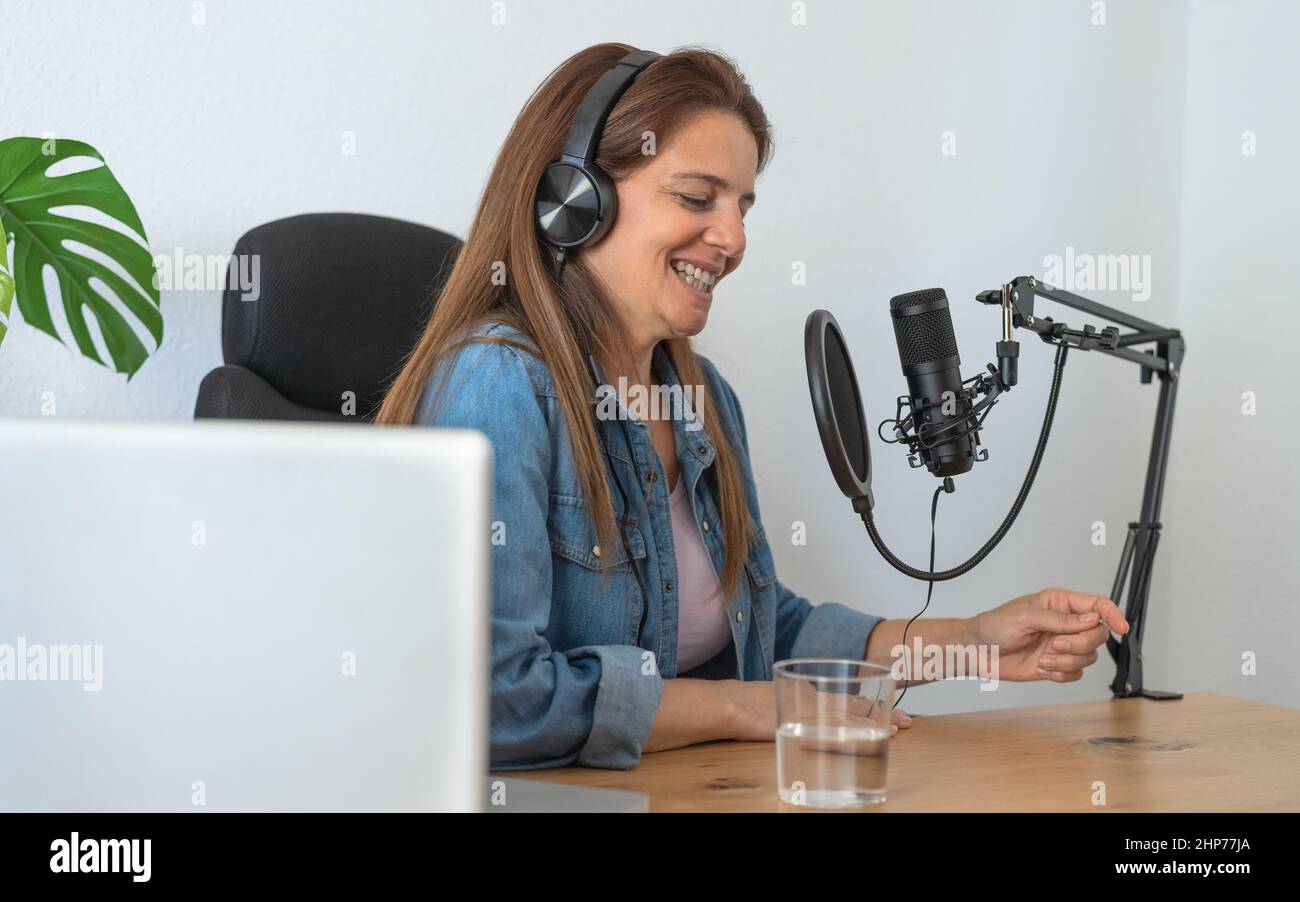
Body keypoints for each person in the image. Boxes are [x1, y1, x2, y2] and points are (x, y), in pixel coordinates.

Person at [376, 43, 1129, 771]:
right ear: (575, 202)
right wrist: (748, 708)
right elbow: (492, 701)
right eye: (697, 198)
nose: (732, 239)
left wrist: (975, 642)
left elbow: (768, 631)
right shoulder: (499, 386)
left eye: (742, 206)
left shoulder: (704, 400)